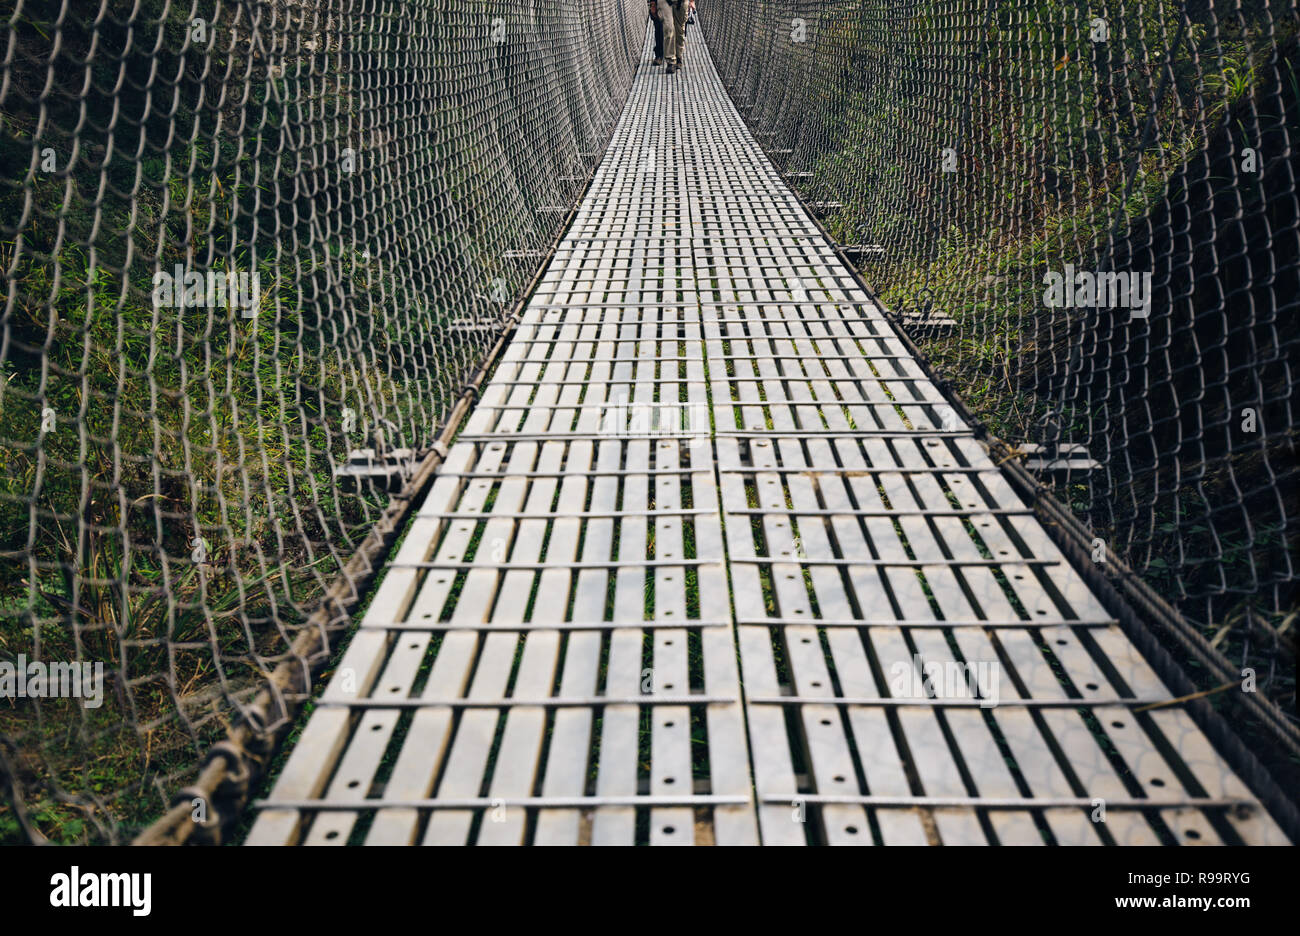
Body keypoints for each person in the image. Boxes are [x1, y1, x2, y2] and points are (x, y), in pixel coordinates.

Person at [648, 0, 665, 66]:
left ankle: (675, 56)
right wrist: (653, 4)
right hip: (658, 5)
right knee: (659, 30)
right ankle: (659, 55)